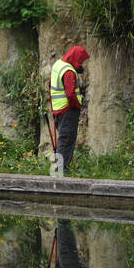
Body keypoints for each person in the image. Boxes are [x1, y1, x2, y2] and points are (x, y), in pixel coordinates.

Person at [50, 45, 90, 176]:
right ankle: (62, 171)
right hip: (68, 109)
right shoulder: (69, 72)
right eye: (81, 61)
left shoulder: (58, 64)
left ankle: (59, 169)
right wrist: (77, 106)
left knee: (63, 138)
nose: (82, 64)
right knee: (67, 139)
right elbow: (71, 94)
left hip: (57, 109)